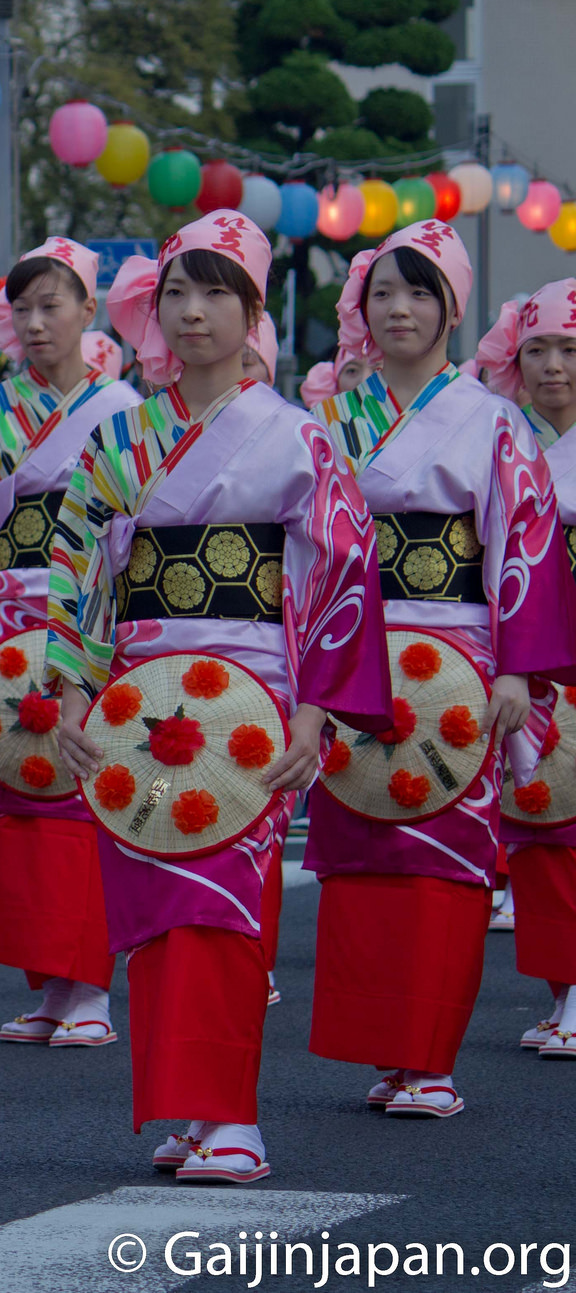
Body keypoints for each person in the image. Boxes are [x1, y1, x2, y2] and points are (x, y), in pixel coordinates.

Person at [46, 210, 391, 1183]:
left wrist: (315, 711)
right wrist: (72, 690)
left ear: (249, 313)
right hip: (139, 687)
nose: (193, 314)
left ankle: (233, 1117)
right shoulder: (120, 436)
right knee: (152, 891)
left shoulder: (295, 437)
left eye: (216, 294)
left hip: (250, 688)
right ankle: (187, 1112)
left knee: (224, 895)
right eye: (177, 294)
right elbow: (80, 567)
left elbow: (336, 574)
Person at [304, 221, 576, 1120]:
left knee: (442, 851)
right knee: (359, 850)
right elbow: (304, 549)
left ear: (452, 309)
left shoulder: (492, 421)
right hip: (351, 649)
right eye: (383, 293)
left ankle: (432, 1059)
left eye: (420, 292)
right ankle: (385, 1050)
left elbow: (525, 545)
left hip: (458, 649)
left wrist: (514, 671)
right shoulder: (330, 421)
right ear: (363, 310)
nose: (399, 309)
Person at [0, 239, 143, 1046]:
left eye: (50, 305)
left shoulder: (125, 409)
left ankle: (90, 982)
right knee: (19, 799)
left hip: (89, 615)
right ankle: (50, 983)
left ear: (87, 312)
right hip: (4, 614)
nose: (32, 322)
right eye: (20, 309)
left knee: (83, 798)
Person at [475, 279, 576, 1054]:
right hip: (541, 659)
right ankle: (563, 984)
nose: (552, 366)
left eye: (569, 350)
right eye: (536, 349)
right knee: (541, 826)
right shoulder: (520, 447)